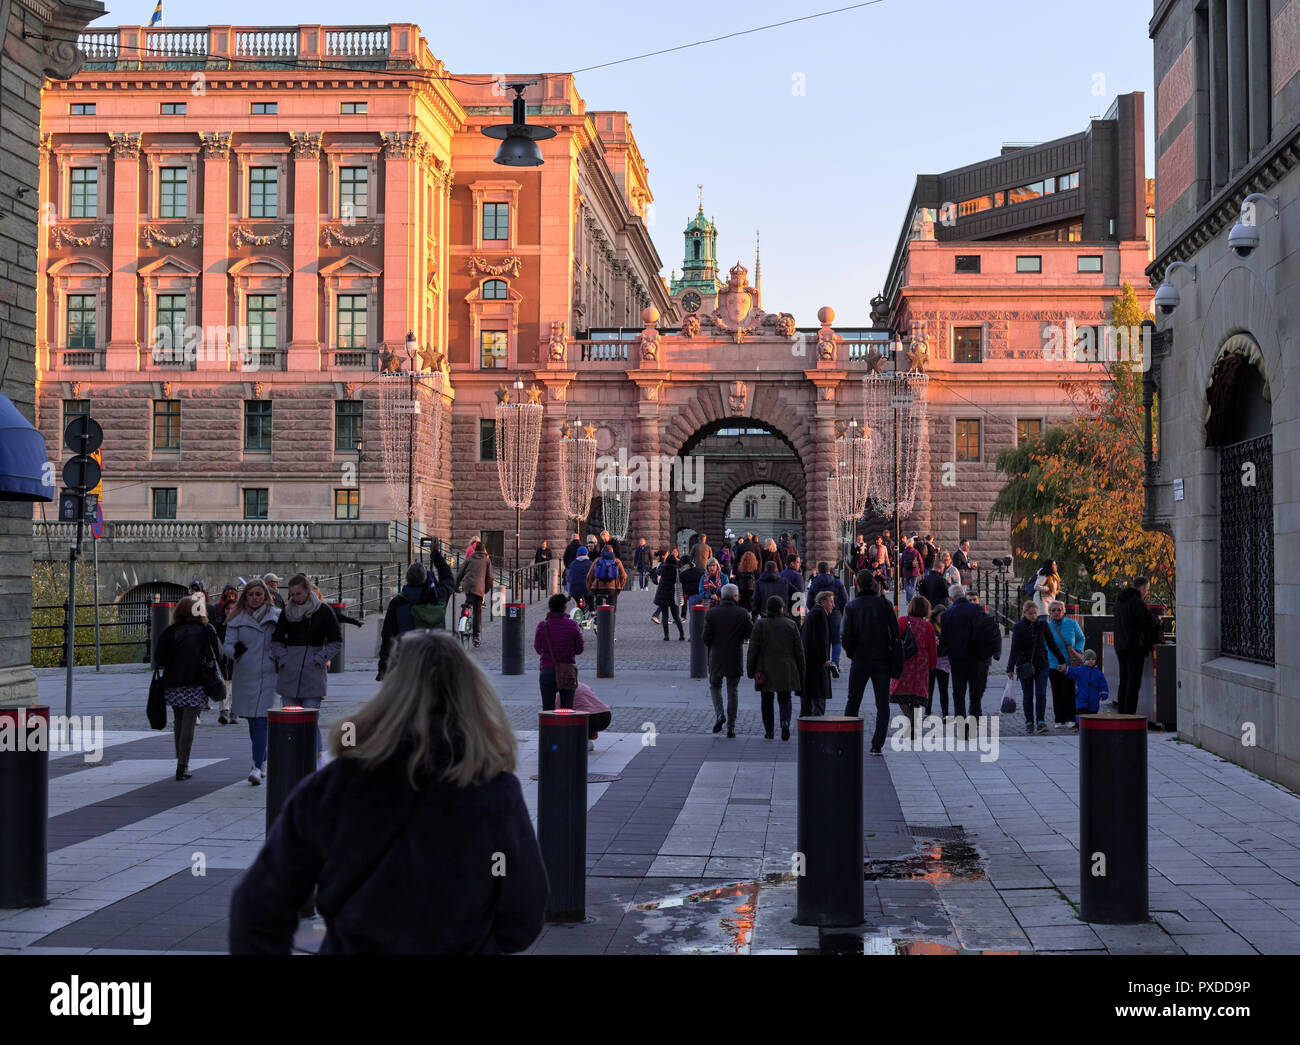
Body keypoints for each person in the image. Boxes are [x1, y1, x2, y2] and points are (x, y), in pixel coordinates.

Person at [229, 631, 547, 955]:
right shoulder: (492, 791)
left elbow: (258, 905)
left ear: (391, 689)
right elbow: (523, 912)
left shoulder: (338, 784)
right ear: (472, 694)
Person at [269, 574, 342, 758]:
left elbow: (336, 641)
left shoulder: (323, 611)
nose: (295, 598)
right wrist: (284, 659)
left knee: (310, 721)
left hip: (312, 675)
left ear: (308, 591)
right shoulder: (287, 612)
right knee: (290, 723)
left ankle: (314, 756)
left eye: (298, 594)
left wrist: (319, 659)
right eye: (292, 594)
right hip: (289, 675)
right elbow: (276, 641)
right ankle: (292, 758)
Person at [155, 594, 224, 781]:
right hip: (196, 681)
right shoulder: (205, 629)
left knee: (178, 719)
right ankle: (183, 765)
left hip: (173, 681)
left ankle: (180, 758)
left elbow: (159, 658)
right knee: (189, 721)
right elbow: (220, 653)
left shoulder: (170, 631)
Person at [222, 579, 281, 785]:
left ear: (265, 596)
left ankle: (256, 766)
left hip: (269, 675)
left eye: (258, 594)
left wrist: (277, 656)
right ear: (245, 596)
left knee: (261, 720)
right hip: (246, 674)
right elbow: (226, 646)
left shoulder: (277, 617)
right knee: (252, 720)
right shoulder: (235, 619)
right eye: (251, 594)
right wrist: (235, 652)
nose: (255, 598)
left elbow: (284, 641)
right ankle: (262, 759)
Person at [842, 572, 900, 753]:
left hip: (860, 659)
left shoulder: (852, 606)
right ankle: (877, 744)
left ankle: (848, 741)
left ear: (857, 584)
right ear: (873, 584)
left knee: (853, 701)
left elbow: (846, 636)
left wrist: (853, 653)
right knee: (882, 704)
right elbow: (895, 633)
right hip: (882, 659)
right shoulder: (885, 604)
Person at [378, 551, 455, 680]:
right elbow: (448, 580)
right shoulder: (438, 598)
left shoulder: (397, 603)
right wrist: (435, 554)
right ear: (425, 578)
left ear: (407, 578)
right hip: (435, 659)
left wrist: (383, 666)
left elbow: (387, 636)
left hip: (407, 660)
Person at [747, 595, 805, 741]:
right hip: (786, 668)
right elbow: (799, 651)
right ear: (781, 608)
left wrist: (750, 670)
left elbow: (753, 650)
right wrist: (801, 670)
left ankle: (769, 730)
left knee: (766, 699)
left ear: (767, 609)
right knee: (785, 698)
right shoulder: (791, 624)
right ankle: (785, 721)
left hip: (765, 668)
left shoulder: (760, 625)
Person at [702, 583, 752, 738]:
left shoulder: (712, 613)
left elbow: (705, 638)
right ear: (735, 596)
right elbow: (750, 633)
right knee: (733, 690)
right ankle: (731, 726)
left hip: (716, 656)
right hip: (734, 656)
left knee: (715, 686)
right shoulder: (743, 613)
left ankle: (719, 714)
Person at [890, 596, 938, 738]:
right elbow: (932, 649)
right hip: (921, 665)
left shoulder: (903, 621)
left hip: (905, 662)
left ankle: (910, 722)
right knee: (916, 698)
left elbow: (894, 641)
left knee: (900, 694)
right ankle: (913, 726)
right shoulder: (928, 626)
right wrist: (932, 665)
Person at [1114, 576, 1162, 716]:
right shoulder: (1137, 603)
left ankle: (1122, 712)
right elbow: (1148, 621)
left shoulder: (1120, 601)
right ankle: (1129, 714)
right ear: (1141, 588)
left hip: (1120, 646)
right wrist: (1157, 619)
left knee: (1124, 679)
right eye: (1147, 589)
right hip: (1134, 647)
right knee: (1133, 682)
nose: (1146, 593)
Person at [1007, 600, 1051, 734]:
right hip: (1025, 664)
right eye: (1030, 613)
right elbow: (1014, 648)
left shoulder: (1042, 625)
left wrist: (1061, 660)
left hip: (1041, 663)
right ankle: (1029, 722)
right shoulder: (1019, 627)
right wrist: (1010, 668)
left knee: (1041, 694)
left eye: (1035, 613)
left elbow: (1051, 643)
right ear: (1024, 613)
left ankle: (1041, 721)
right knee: (1028, 695)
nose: (1033, 616)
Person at [938, 584, 982, 718]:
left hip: (957, 659)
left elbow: (944, 639)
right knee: (974, 692)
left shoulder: (946, 615)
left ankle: (962, 727)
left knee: (959, 693)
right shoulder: (976, 610)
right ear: (963, 594)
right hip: (975, 657)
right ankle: (974, 721)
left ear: (951, 598)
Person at [535, 593, 584, 710]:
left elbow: (538, 649)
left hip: (547, 671)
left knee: (547, 710)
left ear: (550, 608)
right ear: (564, 608)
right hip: (567, 670)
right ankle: (566, 728)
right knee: (567, 710)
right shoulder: (572, 625)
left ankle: (548, 728)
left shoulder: (543, 626)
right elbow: (579, 649)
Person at [1044, 600, 1085, 727]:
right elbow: (1044, 643)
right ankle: (1059, 719)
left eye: (1059, 610)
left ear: (1064, 611)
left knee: (1068, 690)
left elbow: (1081, 638)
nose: (1056, 612)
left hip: (1069, 664)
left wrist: (1077, 651)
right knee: (1056, 692)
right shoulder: (1047, 626)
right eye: (1053, 610)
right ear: (1050, 612)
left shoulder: (1072, 624)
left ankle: (1070, 718)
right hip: (1053, 663)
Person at [806, 562, 848, 677]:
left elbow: (809, 602)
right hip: (835, 613)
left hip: (819, 614)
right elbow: (845, 599)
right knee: (836, 640)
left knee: (821, 639)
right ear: (829, 570)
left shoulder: (814, 583)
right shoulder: (838, 582)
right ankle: (835, 663)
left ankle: (823, 662)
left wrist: (813, 609)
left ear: (819, 571)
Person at [209, 584, 240, 725]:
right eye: (227, 608)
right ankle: (224, 711)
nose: (230, 611)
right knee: (225, 684)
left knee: (237, 686)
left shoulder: (241, 624)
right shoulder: (220, 624)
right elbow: (217, 641)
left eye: (233, 608)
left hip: (237, 658)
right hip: (223, 659)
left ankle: (234, 712)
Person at [801, 590, 836, 716]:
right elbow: (821, 639)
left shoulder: (814, 613)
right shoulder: (820, 614)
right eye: (831, 602)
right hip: (817, 662)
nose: (833, 605)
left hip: (810, 660)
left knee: (809, 695)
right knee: (818, 694)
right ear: (823, 601)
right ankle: (816, 723)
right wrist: (825, 658)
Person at [455, 542, 493, 648]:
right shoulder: (487, 560)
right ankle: (476, 636)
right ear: (484, 550)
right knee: (477, 612)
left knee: (469, 601)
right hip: (479, 587)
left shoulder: (469, 559)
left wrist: (456, 586)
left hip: (467, 585)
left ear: (475, 550)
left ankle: (464, 613)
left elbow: (460, 573)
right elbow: (490, 577)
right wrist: (486, 590)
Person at [586, 544, 628, 617]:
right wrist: (620, 586)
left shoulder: (597, 560)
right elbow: (624, 576)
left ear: (602, 551)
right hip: (612, 589)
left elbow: (589, 576)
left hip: (599, 588)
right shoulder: (617, 561)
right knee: (612, 610)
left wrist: (590, 587)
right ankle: (610, 625)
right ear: (612, 551)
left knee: (599, 609)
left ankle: (598, 624)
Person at [654, 547, 686, 640]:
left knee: (665, 617)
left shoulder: (663, 568)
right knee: (676, 616)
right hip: (673, 595)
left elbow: (657, 571)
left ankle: (666, 636)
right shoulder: (676, 570)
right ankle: (682, 634)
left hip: (663, 595)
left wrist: (663, 563)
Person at [573, 680, 613, 752]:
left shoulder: (562, 691)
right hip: (606, 715)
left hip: (589, 719)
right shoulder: (583, 685)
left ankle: (585, 742)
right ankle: (589, 736)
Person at [1068, 650, 1109, 717]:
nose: (1091, 661)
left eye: (1093, 659)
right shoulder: (1080, 670)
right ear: (1084, 660)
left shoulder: (1098, 673)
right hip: (1081, 698)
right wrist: (1065, 669)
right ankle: (1080, 725)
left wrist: (1104, 694)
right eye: (1088, 659)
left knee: (1092, 715)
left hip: (1094, 699)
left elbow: (1103, 684)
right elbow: (1072, 672)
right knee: (1081, 714)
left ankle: (1091, 726)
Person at [930, 604, 951, 718]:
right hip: (932, 661)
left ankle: (945, 714)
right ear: (935, 616)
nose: (942, 618)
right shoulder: (931, 626)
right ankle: (928, 712)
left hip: (944, 661)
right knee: (930, 689)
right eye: (940, 616)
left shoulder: (948, 627)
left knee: (944, 690)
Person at [565, 546, 591, 611]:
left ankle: (581, 609)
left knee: (580, 602)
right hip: (586, 588)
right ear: (586, 554)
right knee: (590, 598)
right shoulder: (590, 563)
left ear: (577, 554)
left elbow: (569, 576)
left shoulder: (573, 564)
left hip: (575, 590)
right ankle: (592, 611)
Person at [899, 537, 923, 604]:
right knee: (912, 586)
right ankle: (910, 600)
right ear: (912, 544)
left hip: (906, 571)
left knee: (907, 585)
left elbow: (901, 563)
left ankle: (907, 599)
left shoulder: (904, 552)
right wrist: (922, 570)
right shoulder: (916, 552)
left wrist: (900, 573)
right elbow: (920, 561)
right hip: (914, 571)